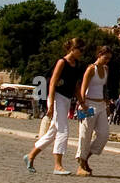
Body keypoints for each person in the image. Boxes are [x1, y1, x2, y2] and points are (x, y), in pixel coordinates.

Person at [26, 38, 86, 175]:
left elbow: (76, 86)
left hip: (67, 99)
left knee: (52, 132)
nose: (82, 53)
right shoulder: (61, 62)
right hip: (56, 97)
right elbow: (52, 83)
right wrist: (51, 104)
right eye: (80, 50)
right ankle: (58, 165)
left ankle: (30, 156)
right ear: (73, 49)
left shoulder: (77, 65)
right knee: (63, 130)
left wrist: (82, 102)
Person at [76, 46, 112, 176]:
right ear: (99, 55)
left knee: (104, 134)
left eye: (109, 58)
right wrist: (82, 104)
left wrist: (107, 104)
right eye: (105, 57)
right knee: (85, 134)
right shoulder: (91, 69)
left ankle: (85, 158)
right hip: (88, 104)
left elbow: (104, 88)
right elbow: (83, 87)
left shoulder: (106, 69)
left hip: (101, 104)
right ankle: (81, 164)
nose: (107, 60)